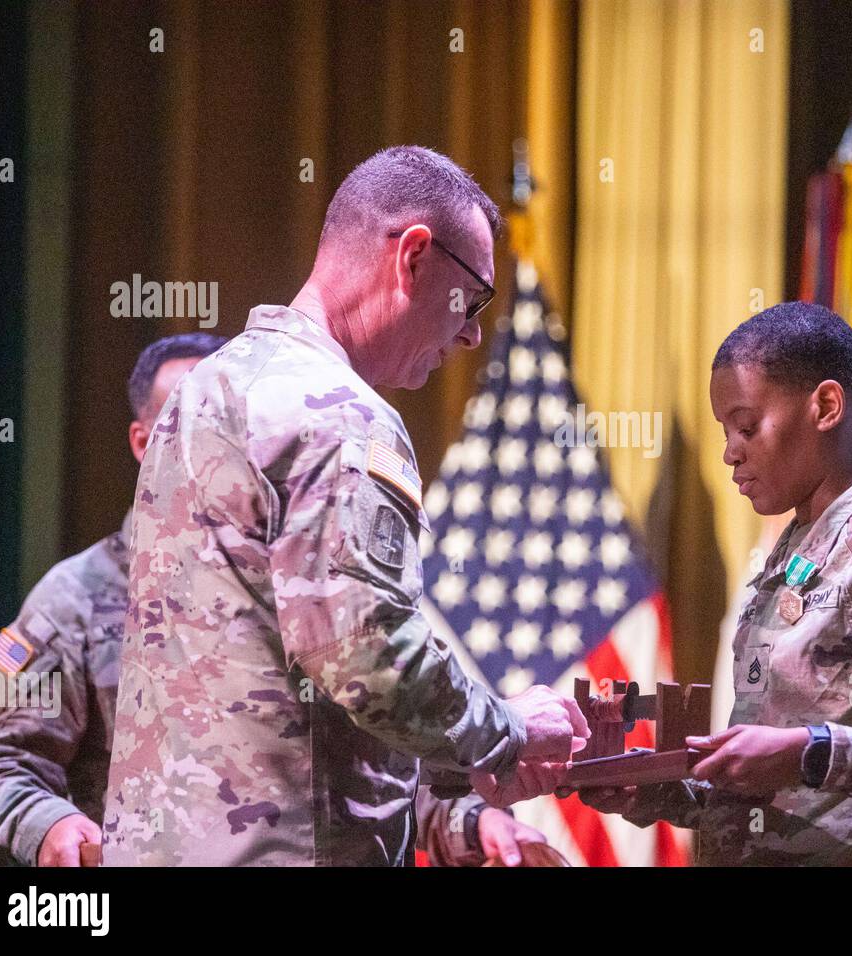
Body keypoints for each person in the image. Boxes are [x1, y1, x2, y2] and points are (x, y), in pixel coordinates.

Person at [102, 146, 588, 866]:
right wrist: (506, 728)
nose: (472, 334)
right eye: (474, 298)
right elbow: (367, 656)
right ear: (414, 256)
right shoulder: (340, 415)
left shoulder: (206, 389)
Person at [582, 301, 852, 865]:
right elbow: (785, 797)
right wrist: (659, 787)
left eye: (746, 426)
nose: (729, 453)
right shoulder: (788, 558)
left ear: (825, 406)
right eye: (725, 431)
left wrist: (812, 753)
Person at [0, 334, 224, 865]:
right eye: (187, 421)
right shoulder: (73, 598)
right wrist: (50, 822)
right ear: (143, 442)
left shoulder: (292, 588)